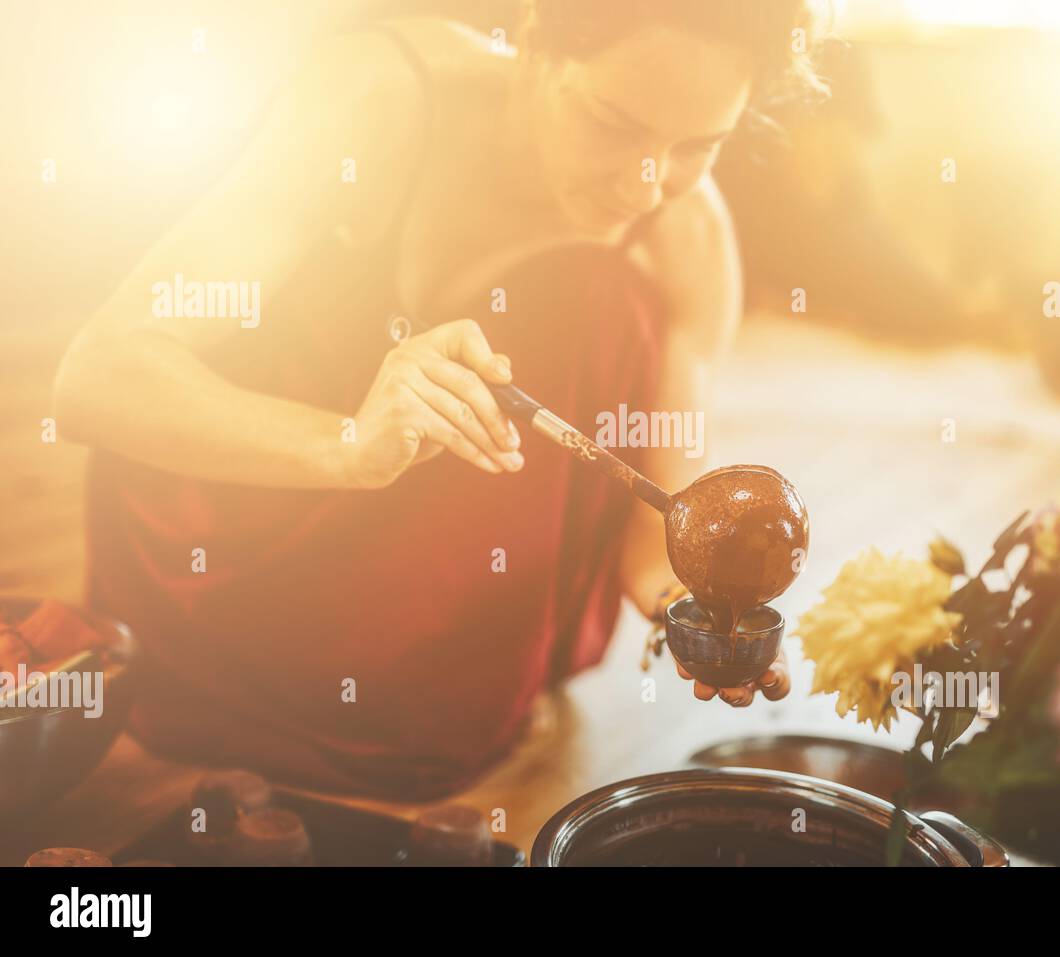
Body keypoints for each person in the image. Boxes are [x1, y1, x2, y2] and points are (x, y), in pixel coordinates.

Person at [52, 1, 825, 797]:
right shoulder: (379, 98)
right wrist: (351, 442)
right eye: (613, 122)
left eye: (698, 145)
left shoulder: (686, 241)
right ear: (534, 44)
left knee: (603, 296)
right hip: (230, 569)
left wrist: (704, 618)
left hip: (444, 636)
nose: (647, 185)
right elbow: (97, 378)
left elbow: (654, 529)